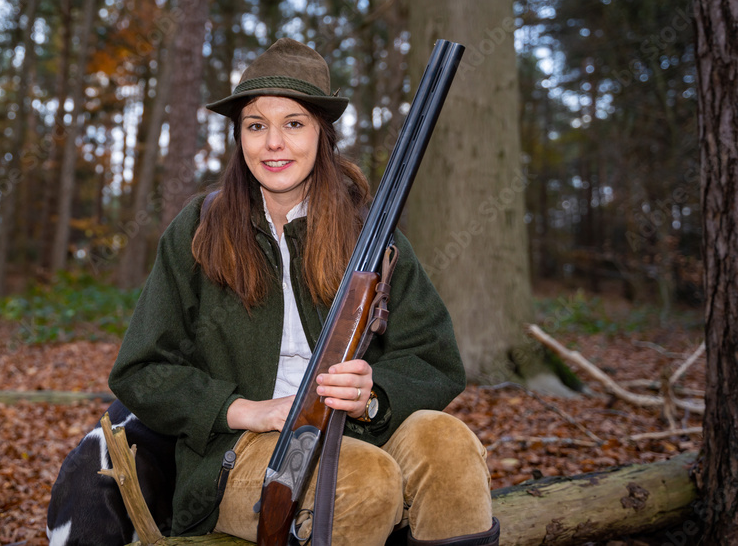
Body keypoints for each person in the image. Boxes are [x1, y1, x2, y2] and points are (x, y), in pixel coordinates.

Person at [108, 38, 500, 546]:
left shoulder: (369, 232)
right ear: (239, 137)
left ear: (322, 134)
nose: (274, 143)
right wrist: (244, 409)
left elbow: (434, 358)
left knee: (450, 443)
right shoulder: (199, 228)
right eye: (256, 125)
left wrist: (373, 396)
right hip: (239, 449)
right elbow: (141, 370)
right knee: (364, 480)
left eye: (293, 123)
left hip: (363, 431)